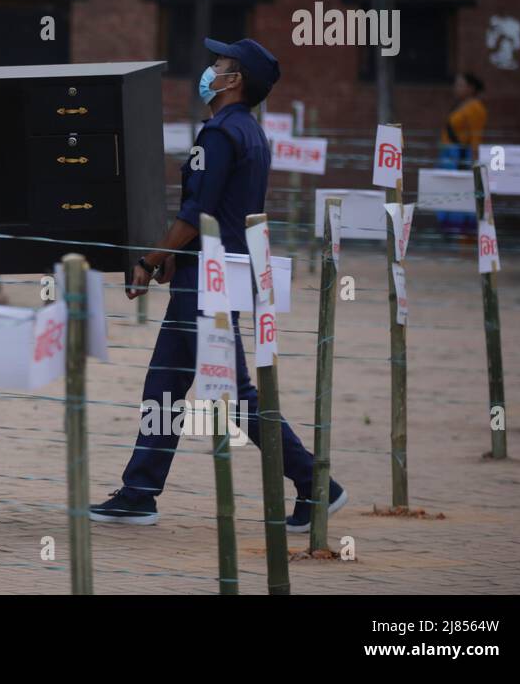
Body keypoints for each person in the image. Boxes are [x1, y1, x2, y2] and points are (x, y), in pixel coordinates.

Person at [89, 38, 346, 533]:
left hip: (209, 281)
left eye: (220, 65)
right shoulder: (248, 132)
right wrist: (175, 259)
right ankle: (140, 491)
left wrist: (151, 257)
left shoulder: (221, 134)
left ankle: (316, 483)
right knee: (164, 382)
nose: (210, 69)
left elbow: (198, 213)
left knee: (235, 393)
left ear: (236, 81)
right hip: (207, 274)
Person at [437, 72, 487, 236]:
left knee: (463, 198)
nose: (456, 88)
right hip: (450, 157)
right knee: (450, 195)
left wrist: (473, 164)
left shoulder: (475, 108)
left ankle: (466, 241)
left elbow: (476, 138)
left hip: (461, 159)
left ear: (471, 88)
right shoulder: (462, 106)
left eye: (460, 85)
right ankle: (455, 237)